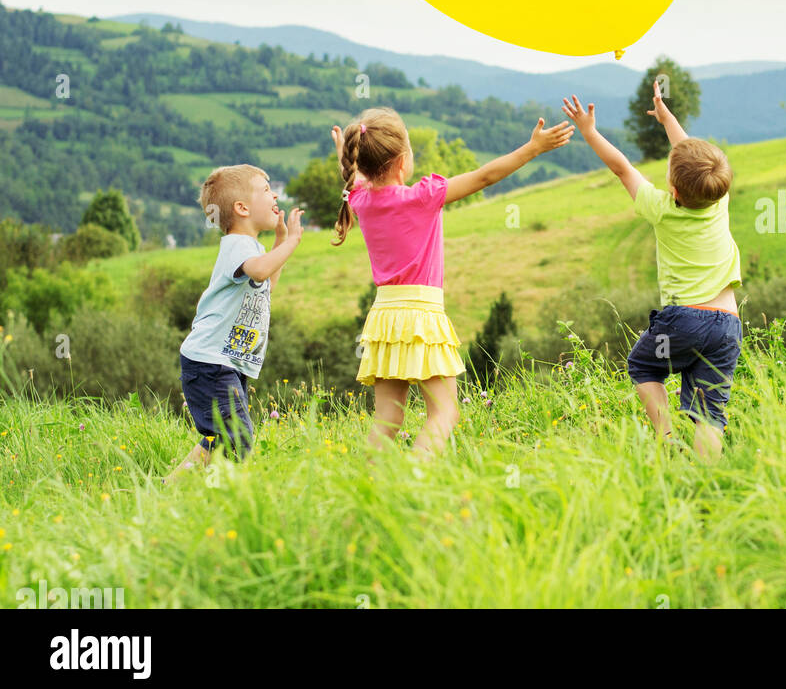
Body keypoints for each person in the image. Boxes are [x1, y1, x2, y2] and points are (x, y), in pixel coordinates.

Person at [332, 107, 573, 455]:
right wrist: (533, 148)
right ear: (402, 162)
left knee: (387, 420)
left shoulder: (361, 201)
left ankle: (369, 487)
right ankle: (417, 476)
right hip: (422, 317)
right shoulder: (423, 197)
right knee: (444, 412)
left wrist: (345, 154)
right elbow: (485, 177)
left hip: (384, 318)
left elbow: (356, 178)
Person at [560, 82, 742, 461]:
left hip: (685, 320)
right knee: (710, 415)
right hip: (727, 324)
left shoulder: (660, 208)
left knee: (644, 364)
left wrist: (590, 131)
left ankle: (667, 439)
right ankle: (708, 482)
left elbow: (621, 167)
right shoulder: (718, 201)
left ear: (673, 190)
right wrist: (667, 118)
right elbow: (692, 157)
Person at [163, 164, 304, 482]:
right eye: (266, 190)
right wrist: (291, 241)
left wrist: (281, 243)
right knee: (238, 439)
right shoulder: (238, 246)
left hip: (222, 362)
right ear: (242, 208)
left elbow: (264, 286)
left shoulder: (249, 248)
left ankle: (171, 487)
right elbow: (258, 272)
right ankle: (221, 498)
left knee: (221, 438)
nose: (275, 194)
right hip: (211, 362)